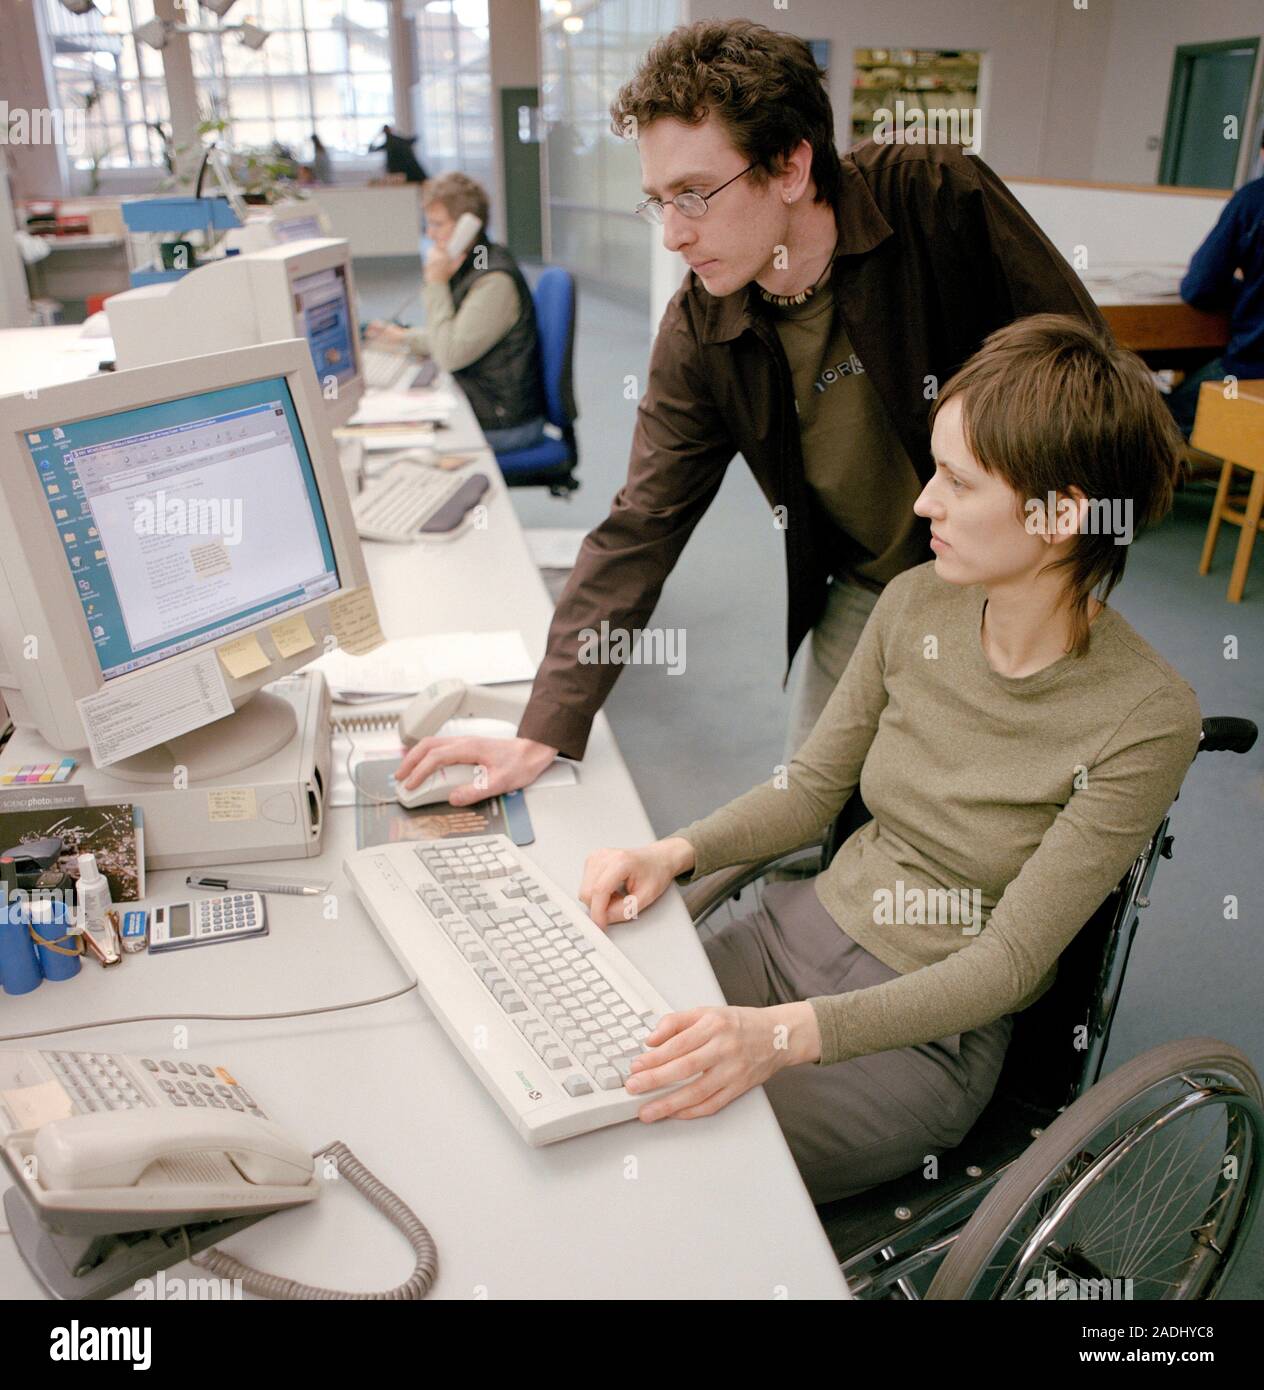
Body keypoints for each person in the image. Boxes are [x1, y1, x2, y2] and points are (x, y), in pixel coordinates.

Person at [394, 19, 1106, 808]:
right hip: (867, 582)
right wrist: (546, 725)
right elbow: (642, 524)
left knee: (981, 829)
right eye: (658, 202)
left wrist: (1049, 565)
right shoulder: (704, 328)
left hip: (1020, 578)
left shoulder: (940, 201)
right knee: (810, 816)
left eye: (695, 195)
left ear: (791, 166)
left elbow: (1091, 378)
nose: (673, 234)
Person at [576, 315, 1202, 1204]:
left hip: (923, 1033)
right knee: (585, 1068)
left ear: (1062, 515)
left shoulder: (1145, 715)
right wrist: (669, 852)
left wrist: (781, 1037)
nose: (921, 504)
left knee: (665, 1167)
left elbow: (1008, 966)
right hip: (789, 935)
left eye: (956, 481)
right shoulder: (915, 606)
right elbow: (809, 794)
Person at [365, 173, 547, 452]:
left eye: (437, 224)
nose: (429, 234)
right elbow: (454, 334)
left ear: (468, 227)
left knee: (401, 445)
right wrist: (402, 338)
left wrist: (436, 283)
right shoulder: (470, 262)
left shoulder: (493, 280)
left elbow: (449, 354)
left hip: (507, 420)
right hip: (484, 399)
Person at [1166, 131, 1264, 438]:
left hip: (1250, 372)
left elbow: (1199, 287)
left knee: (1156, 417)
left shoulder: (1253, 201)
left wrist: (1245, 294)